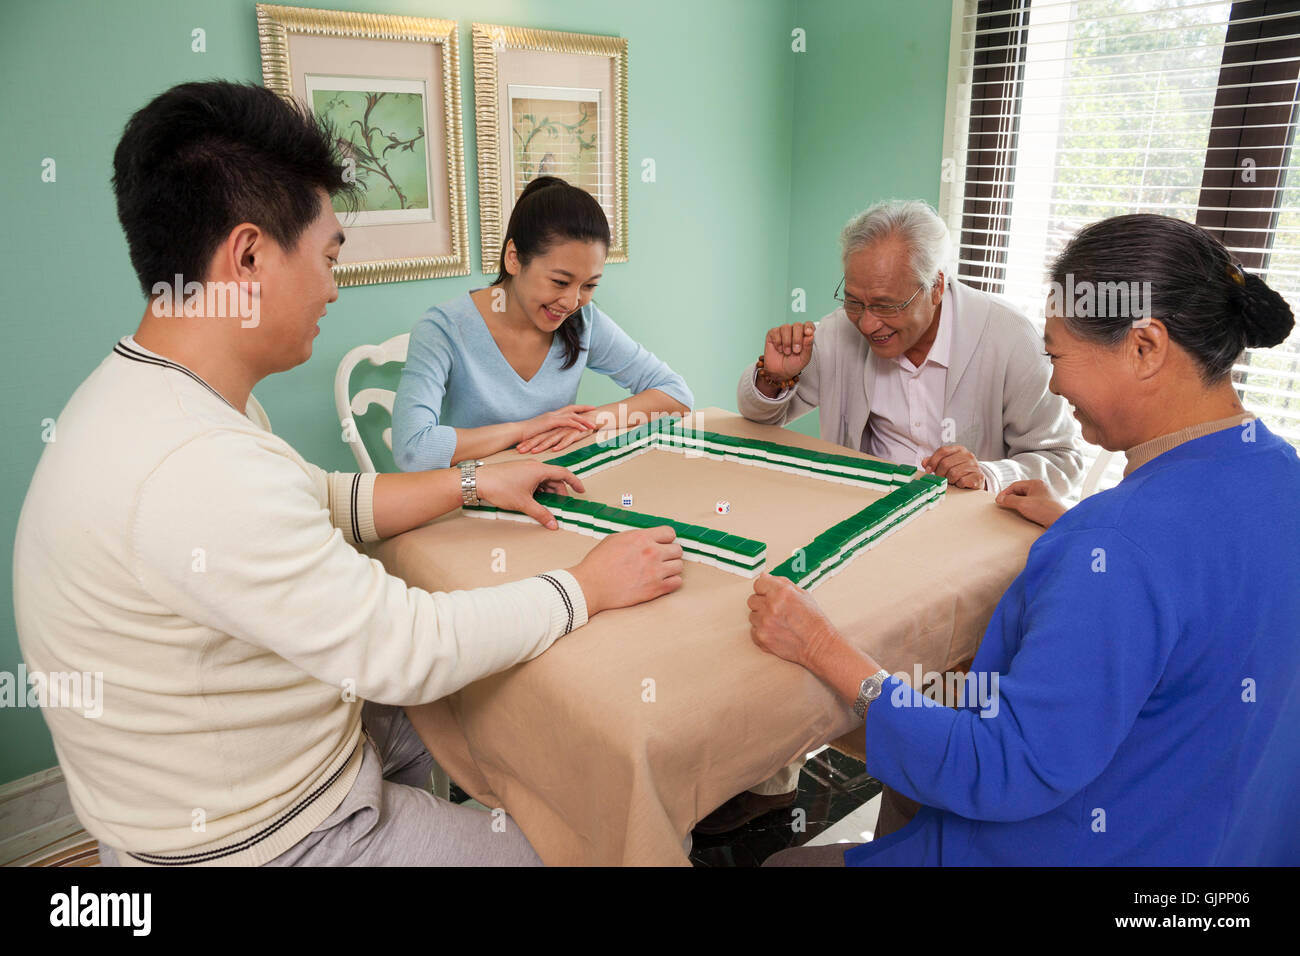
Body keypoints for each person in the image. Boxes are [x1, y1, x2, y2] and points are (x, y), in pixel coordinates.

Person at [12, 81, 684, 868]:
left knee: (491, 715)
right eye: (331, 256)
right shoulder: (195, 465)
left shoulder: (166, 398)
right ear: (251, 254)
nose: (335, 286)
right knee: (585, 846)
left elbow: (317, 497)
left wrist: (476, 483)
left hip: (275, 762)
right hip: (273, 840)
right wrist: (588, 586)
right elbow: (404, 645)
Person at [753, 213, 1299, 865]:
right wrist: (1079, 527)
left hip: (1080, 841)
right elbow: (1199, 589)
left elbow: (997, 768)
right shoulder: (1278, 473)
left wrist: (822, 646)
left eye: (1057, 356)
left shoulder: (1120, 541)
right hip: (1225, 834)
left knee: (782, 861)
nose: (1058, 383)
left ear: (1145, 348)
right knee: (914, 769)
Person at [702, 199, 1084, 834]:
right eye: (855, 301)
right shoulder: (846, 328)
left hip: (961, 536)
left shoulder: (1011, 339)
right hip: (864, 519)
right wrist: (774, 377)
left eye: (886, 306)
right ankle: (771, 774)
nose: (868, 322)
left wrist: (990, 472)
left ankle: (910, 804)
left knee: (922, 679)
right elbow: (757, 414)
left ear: (936, 287)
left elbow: (1063, 460)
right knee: (772, 608)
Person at [391, 176, 693, 470]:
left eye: (589, 286)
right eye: (560, 281)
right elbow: (413, 449)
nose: (572, 301)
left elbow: (676, 394)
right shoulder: (444, 329)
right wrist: (526, 429)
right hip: (471, 497)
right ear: (514, 258)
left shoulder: (583, 322)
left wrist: (588, 421)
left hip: (553, 489)